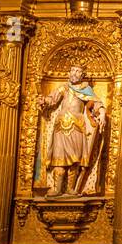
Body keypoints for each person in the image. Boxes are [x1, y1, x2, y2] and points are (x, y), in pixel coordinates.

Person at [37, 66, 104, 196]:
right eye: (72, 70)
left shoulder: (86, 90)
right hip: (61, 126)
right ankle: (57, 189)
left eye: (78, 71)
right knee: (59, 157)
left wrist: (101, 112)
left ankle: (70, 188)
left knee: (75, 159)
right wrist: (44, 100)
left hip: (77, 126)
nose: (74, 73)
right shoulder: (64, 88)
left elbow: (96, 103)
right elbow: (52, 99)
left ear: (82, 75)